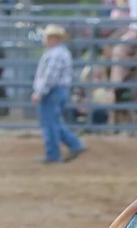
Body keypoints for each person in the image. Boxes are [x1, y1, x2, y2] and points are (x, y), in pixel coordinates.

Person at [32, 25, 87, 164]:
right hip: (57, 91)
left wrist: (39, 92)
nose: (45, 39)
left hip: (52, 91)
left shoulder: (55, 54)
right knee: (54, 122)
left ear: (53, 38)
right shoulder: (59, 52)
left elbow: (50, 77)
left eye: (47, 37)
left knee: (50, 124)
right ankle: (75, 144)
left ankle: (53, 155)